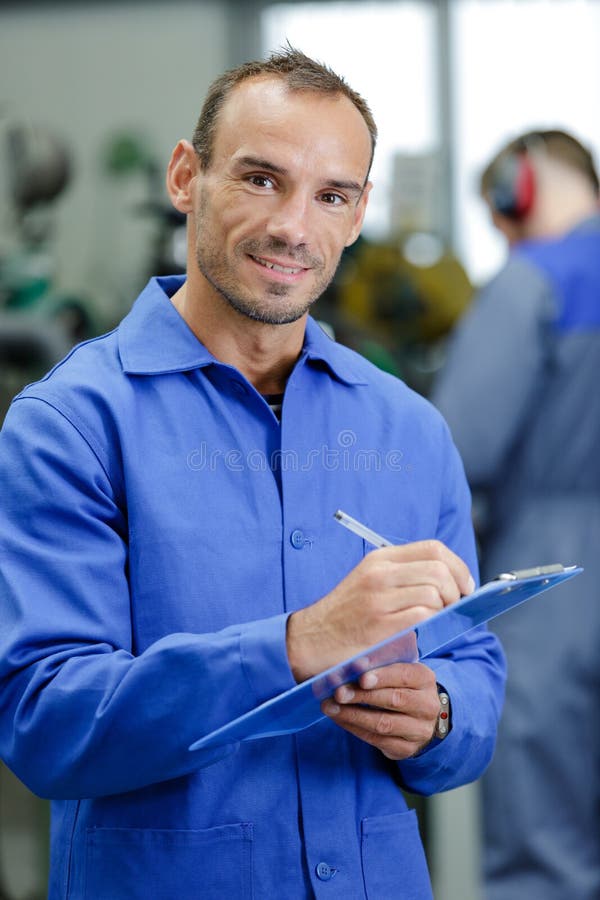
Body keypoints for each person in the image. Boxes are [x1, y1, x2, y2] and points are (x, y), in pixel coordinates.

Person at [0, 48, 505, 900]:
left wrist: (443, 715)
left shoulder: (409, 429)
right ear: (185, 177)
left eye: (330, 196)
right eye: (262, 179)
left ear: (358, 214)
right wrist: (297, 645)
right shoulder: (71, 425)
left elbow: (475, 664)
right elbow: (45, 721)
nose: (293, 227)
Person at [432, 129, 600, 900]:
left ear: (516, 191)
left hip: (555, 584)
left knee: (545, 860)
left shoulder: (534, 283)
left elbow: (457, 452)